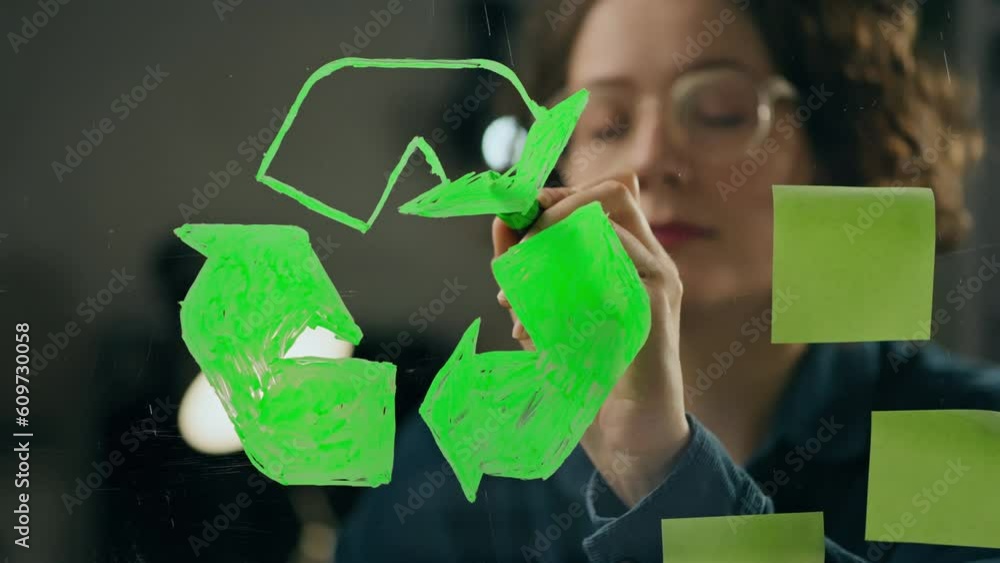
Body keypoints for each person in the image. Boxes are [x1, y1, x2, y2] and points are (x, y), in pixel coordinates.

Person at [336, 0, 1000, 561]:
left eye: (718, 112)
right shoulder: (463, 457)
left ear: (834, 151)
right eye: (606, 124)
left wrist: (658, 465)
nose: (651, 158)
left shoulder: (966, 434)